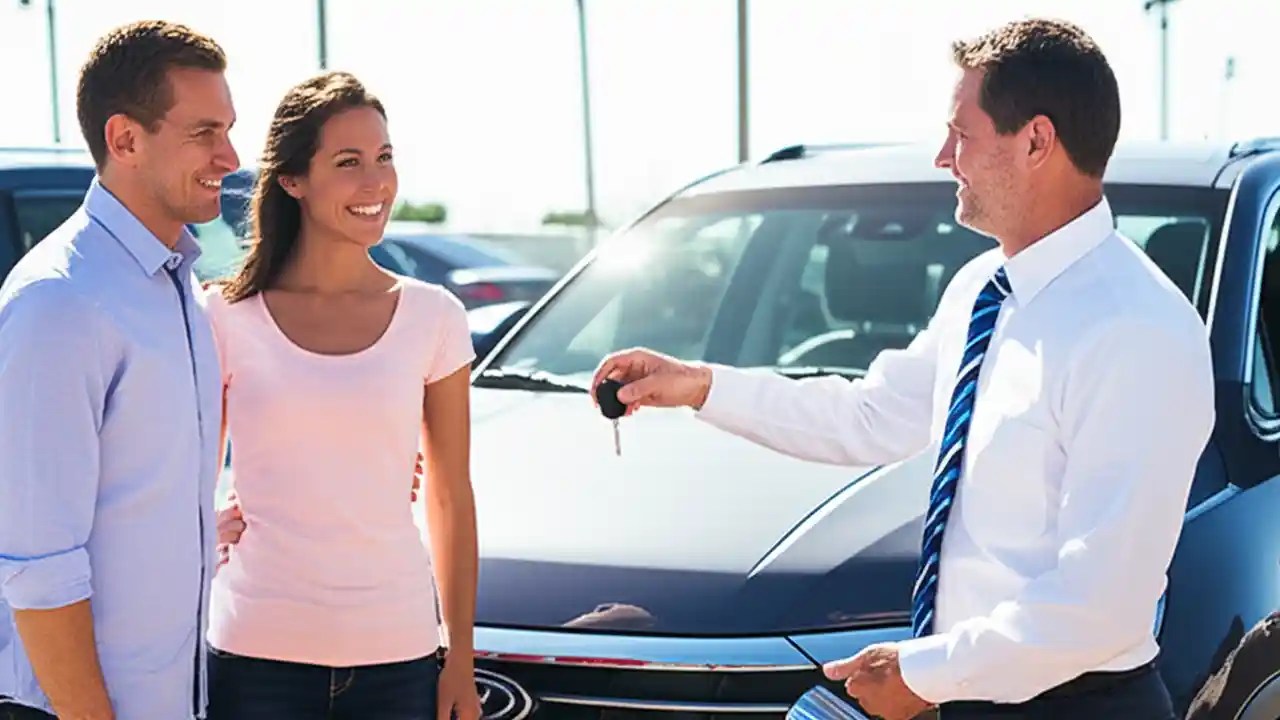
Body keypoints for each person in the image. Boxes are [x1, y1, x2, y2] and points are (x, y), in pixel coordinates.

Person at [593, 18, 1213, 720]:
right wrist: (701, 386)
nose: (944, 157)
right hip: (971, 695)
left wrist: (922, 674)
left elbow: (1100, 600)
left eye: (962, 134)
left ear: (1036, 140)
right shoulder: (983, 287)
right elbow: (872, 417)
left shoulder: (1139, 329)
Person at [201, 71, 481, 720]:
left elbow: (449, 494)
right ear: (292, 179)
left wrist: (459, 656)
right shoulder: (224, 317)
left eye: (384, 158)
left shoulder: (433, 316)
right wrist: (209, 530)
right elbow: (190, 475)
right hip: (255, 653)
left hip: (399, 653)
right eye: (349, 162)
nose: (375, 183)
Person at [0, 21, 237, 720]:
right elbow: (37, 565)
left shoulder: (178, 288)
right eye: (204, 133)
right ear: (125, 139)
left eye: (228, 129)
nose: (229, 155)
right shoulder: (60, 302)